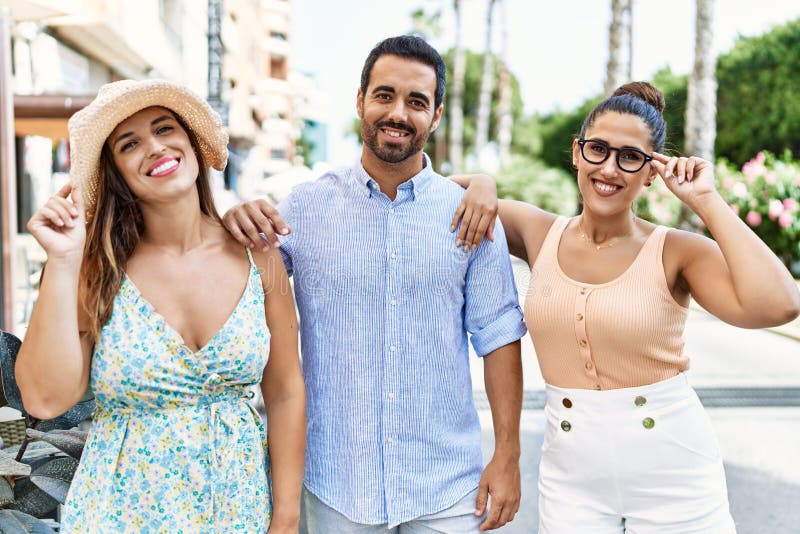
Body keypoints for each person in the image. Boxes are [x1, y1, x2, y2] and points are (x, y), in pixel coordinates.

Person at [451, 81, 800, 533]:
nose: (610, 169)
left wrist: (707, 202)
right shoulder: (537, 232)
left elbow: (780, 303)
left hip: (674, 471)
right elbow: (433, 189)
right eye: (598, 149)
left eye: (630, 156)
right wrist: (483, 182)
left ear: (652, 171)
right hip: (571, 477)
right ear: (577, 153)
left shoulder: (676, 251)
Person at [222, 36, 527, 532]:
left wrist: (508, 455)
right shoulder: (303, 209)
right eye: (385, 95)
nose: (399, 113)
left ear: (437, 115)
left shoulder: (470, 215)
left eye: (417, 102)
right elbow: (239, 296)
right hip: (336, 485)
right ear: (360, 99)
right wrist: (234, 221)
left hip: (447, 488)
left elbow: (499, 338)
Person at [15, 79, 306, 533]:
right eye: (129, 143)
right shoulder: (97, 265)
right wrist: (62, 260)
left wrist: (286, 517)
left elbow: (286, 390)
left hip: (236, 512)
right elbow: (45, 398)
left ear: (190, 142)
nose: (153, 147)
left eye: (164, 129)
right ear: (116, 171)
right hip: (118, 514)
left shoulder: (258, 254)